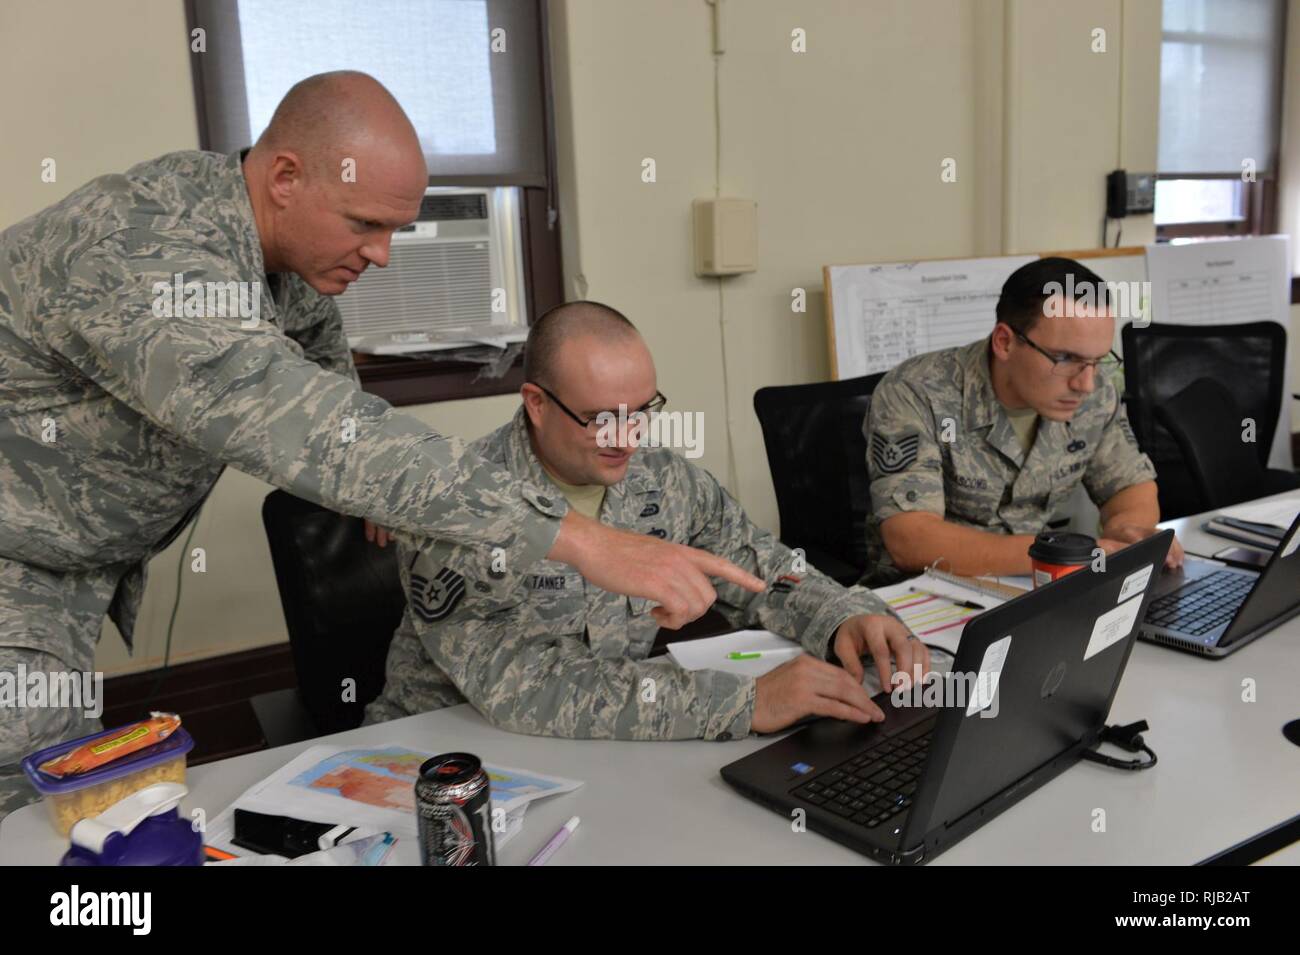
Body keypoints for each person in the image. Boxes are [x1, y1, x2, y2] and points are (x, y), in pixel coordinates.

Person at [0, 73, 759, 821]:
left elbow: (335, 396)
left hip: (64, 553)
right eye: (365, 224)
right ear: (286, 176)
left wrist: (370, 484)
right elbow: (310, 423)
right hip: (15, 547)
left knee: (57, 794)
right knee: (22, 799)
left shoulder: (287, 266)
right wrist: (579, 537)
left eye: (396, 229)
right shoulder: (147, 249)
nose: (384, 255)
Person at [365, 301, 929, 740]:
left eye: (641, 412)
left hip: (601, 745)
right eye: (601, 418)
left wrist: (841, 616)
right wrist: (742, 702)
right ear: (536, 404)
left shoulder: (660, 479)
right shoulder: (457, 505)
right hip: (447, 754)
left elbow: (760, 564)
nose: (627, 438)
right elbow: (529, 688)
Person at [863, 256, 1182, 586]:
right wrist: (1066, 555)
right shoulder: (916, 392)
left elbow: (1130, 483)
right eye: (1065, 358)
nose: (1085, 383)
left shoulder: (1094, 390)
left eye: (1097, 361)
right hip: (923, 596)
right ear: (1005, 342)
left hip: (1036, 586)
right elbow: (910, 539)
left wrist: (1126, 528)